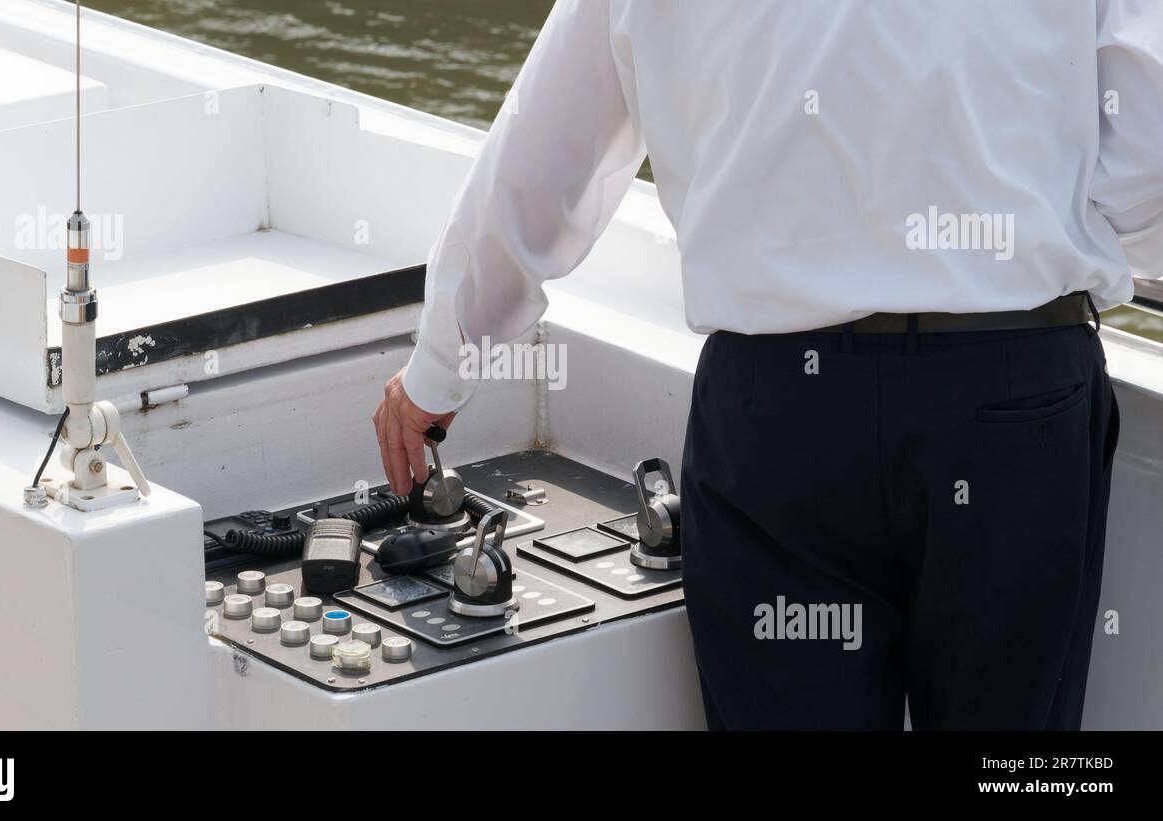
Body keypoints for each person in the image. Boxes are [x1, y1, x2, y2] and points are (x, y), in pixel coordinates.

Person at [372, 0, 1162, 729]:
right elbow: (1147, 154)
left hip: (781, 411)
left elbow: (545, 153)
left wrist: (440, 367)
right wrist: (1030, 218)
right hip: (1011, 396)